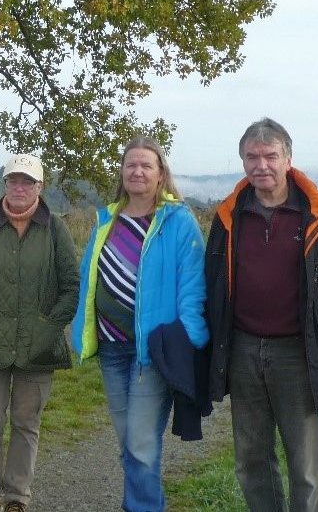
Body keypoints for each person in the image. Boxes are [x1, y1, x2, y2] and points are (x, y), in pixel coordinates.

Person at [205, 118, 318, 512]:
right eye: (252, 157)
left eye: (270, 155)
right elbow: (211, 287)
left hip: (299, 353)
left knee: (306, 468)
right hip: (243, 351)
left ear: (288, 158)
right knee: (251, 461)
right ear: (242, 161)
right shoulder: (228, 217)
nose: (261, 165)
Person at [71, 137, 209, 512]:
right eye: (131, 164)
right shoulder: (106, 219)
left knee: (141, 444)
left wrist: (189, 338)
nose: (138, 171)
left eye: (146, 165)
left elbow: (193, 284)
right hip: (112, 349)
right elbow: (90, 279)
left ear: (161, 173)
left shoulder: (178, 221)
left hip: (153, 352)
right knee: (128, 442)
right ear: (122, 171)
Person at [0, 153, 80, 512]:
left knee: (26, 424)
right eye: (13, 180)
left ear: (40, 187)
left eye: (28, 181)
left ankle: (17, 497)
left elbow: (72, 286)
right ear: (4, 184)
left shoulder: (55, 229)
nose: (20, 187)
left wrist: (49, 328)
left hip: (38, 349)